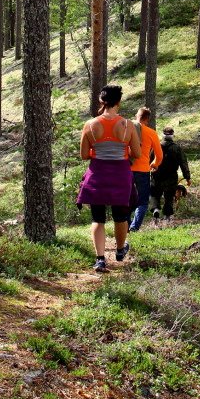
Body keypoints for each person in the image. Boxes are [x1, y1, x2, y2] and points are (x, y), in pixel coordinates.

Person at [76, 85, 142, 273]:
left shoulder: (89, 125)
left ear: (101, 102)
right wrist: (122, 149)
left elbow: (83, 155)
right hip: (120, 174)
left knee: (98, 218)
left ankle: (100, 259)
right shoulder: (128, 125)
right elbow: (136, 153)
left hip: (97, 173)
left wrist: (99, 151)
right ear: (118, 102)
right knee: (120, 216)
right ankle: (120, 251)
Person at [128, 107, 163, 234]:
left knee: (126, 199)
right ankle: (134, 227)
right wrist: (155, 164)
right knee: (142, 201)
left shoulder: (128, 129)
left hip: (127, 168)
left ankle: (126, 226)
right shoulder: (152, 133)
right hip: (143, 170)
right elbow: (159, 155)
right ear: (148, 120)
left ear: (137, 116)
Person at [150, 126, 191, 222]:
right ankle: (167, 216)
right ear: (172, 135)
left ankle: (155, 209)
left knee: (155, 194)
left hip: (157, 175)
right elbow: (183, 163)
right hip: (171, 176)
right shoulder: (177, 148)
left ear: (163, 135)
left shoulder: (156, 146)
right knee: (169, 196)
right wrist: (187, 177)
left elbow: (149, 160)